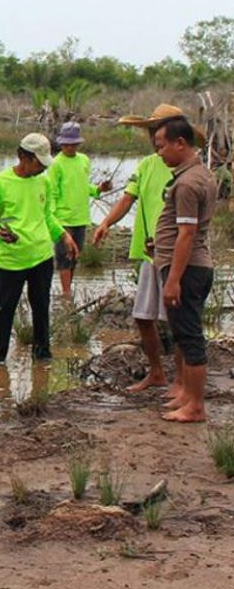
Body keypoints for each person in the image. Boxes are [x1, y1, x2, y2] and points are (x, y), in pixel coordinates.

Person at [93, 104, 183, 394]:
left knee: (181, 320)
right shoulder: (146, 165)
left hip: (176, 253)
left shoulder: (183, 166)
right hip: (149, 253)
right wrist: (106, 221)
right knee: (143, 317)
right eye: (151, 131)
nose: (153, 136)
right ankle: (157, 372)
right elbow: (127, 199)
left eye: (157, 130)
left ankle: (182, 381)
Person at [0, 133, 79, 363]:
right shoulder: (0, 182)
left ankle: (42, 357)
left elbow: (47, 215)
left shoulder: (43, 181)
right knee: (3, 311)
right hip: (11, 260)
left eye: (44, 164)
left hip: (41, 257)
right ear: (22, 156)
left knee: (41, 307)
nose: (42, 169)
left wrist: (64, 236)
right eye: (38, 163)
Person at [152, 118, 216, 423]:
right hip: (191, 267)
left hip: (188, 270)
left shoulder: (189, 183)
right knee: (184, 332)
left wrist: (174, 279)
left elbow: (187, 234)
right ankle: (188, 396)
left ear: (181, 143)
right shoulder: (198, 174)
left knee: (189, 336)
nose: (160, 153)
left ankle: (196, 406)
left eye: (162, 147)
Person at [47, 122, 111, 300]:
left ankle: (67, 291)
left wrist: (99, 189)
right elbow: (51, 191)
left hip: (81, 217)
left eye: (73, 144)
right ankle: (66, 294)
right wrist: (52, 219)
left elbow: (83, 185)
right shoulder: (55, 164)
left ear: (78, 144)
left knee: (75, 255)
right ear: (61, 144)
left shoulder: (84, 160)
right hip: (62, 218)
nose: (69, 147)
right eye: (66, 144)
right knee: (64, 255)